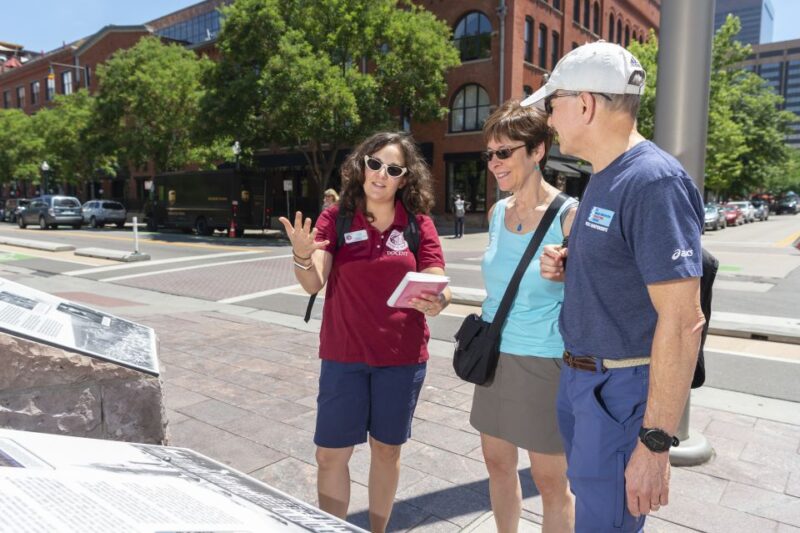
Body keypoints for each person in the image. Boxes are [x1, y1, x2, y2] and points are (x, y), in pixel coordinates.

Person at [529, 42, 705, 532]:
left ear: (584, 104)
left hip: (618, 391)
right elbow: (627, 267)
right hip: (584, 381)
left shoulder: (652, 181)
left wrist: (655, 444)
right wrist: (575, 267)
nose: (549, 119)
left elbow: (684, 320)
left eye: (552, 104)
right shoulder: (604, 176)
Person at [279, 131, 451, 533]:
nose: (380, 174)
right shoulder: (336, 217)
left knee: (387, 451)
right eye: (374, 163)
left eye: (393, 169)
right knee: (330, 455)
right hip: (344, 355)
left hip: (401, 357)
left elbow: (435, 274)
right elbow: (313, 281)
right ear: (361, 166)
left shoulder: (418, 223)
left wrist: (437, 299)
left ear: (404, 179)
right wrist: (302, 255)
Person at [471, 99, 577, 533]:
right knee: (497, 463)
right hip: (493, 356)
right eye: (490, 154)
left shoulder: (569, 216)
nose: (494, 163)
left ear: (537, 151)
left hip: (543, 358)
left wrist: (569, 272)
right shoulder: (497, 213)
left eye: (505, 152)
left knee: (550, 481)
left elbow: (598, 293)